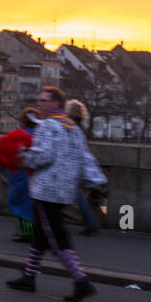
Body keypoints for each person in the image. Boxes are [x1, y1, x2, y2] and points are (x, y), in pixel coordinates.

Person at [6, 86, 107, 302]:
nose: (40, 104)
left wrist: (20, 155)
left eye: (44, 100)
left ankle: (81, 281)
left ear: (56, 105)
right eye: (39, 100)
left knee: (55, 236)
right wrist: (96, 182)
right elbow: (85, 158)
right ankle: (29, 277)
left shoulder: (49, 126)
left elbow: (43, 156)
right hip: (65, 190)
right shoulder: (73, 127)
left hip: (46, 190)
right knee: (42, 235)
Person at [0, 107, 39, 243]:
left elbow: (3, 153)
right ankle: (33, 232)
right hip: (37, 177)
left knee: (22, 208)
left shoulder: (17, 136)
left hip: (19, 176)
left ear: (23, 121)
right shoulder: (41, 135)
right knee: (32, 207)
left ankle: (26, 233)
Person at [65, 99, 100, 235]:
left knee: (76, 197)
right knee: (77, 196)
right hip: (79, 166)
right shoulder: (81, 128)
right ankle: (91, 223)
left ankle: (91, 224)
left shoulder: (71, 127)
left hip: (71, 166)